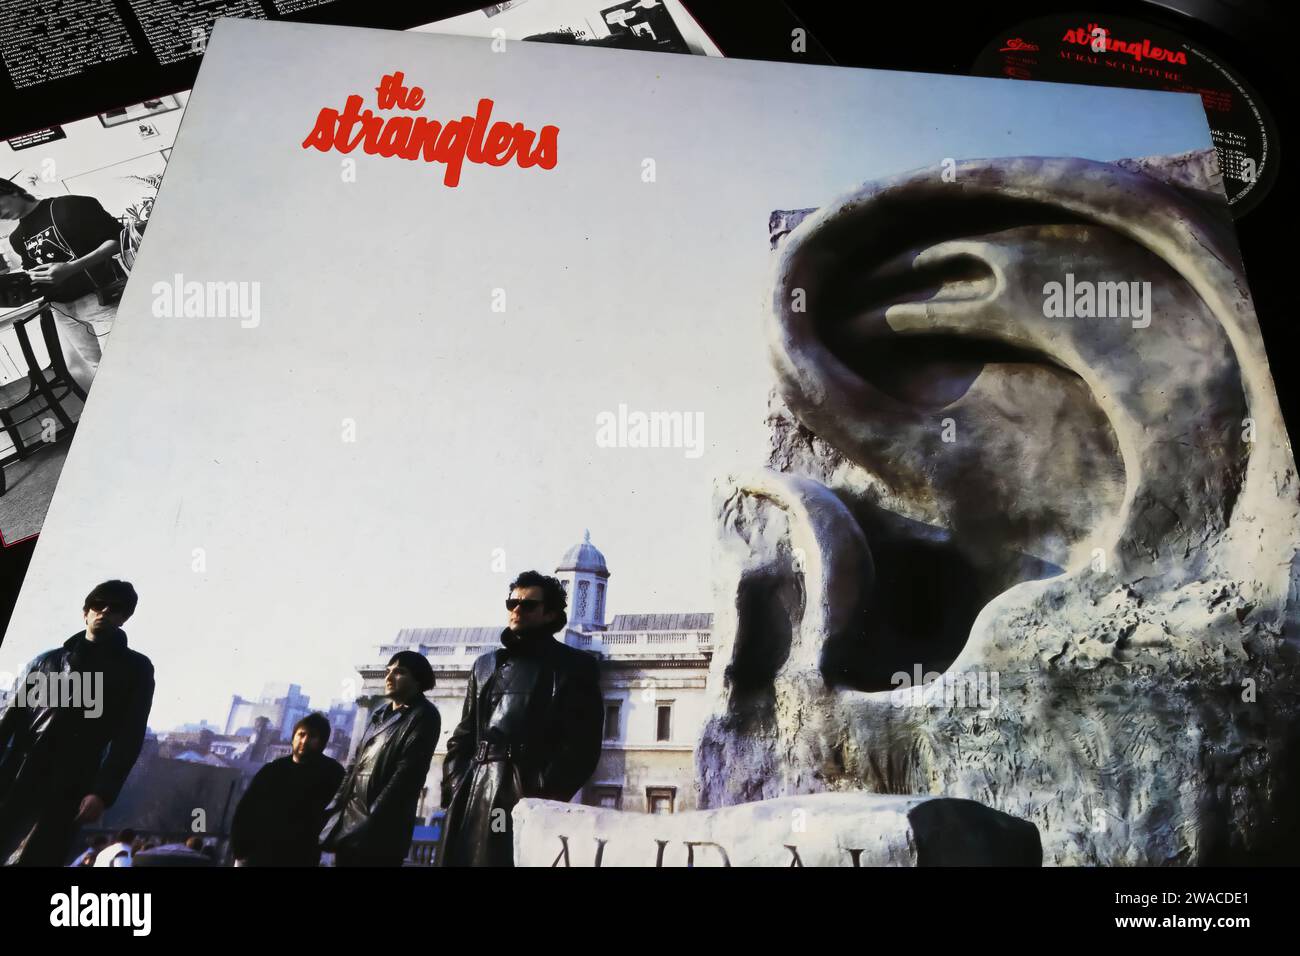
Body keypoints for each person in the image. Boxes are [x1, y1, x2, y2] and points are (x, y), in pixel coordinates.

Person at [439, 571, 603, 867]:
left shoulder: (575, 666)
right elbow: (463, 735)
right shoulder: (485, 664)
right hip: (472, 790)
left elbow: (582, 747)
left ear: (550, 614)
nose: (516, 609)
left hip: (521, 793)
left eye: (528, 605)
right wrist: (455, 785)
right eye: (512, 602)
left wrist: (539, 793)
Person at [0, 580, 154, 866]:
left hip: (73, 783)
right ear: (86, 611)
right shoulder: (46, 662)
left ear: (125, 618)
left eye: (116, 608)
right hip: (21, 775)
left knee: (38, 857)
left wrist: (101, 792)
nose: (105, 611)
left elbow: (129, 737)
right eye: (99, 604)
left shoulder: (135, 670)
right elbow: (9, 722)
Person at [0, 176, 124, 393]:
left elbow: (118, 241)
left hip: (102, 300)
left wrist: (73, 267)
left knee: (124, 363)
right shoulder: (17, 238)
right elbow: (38, 273)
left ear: (11, 191)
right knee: (98, 370)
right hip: (63, 310)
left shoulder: (69, 206)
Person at [320, 652, 440, 867]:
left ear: (418, 679)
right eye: (388, 671)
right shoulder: (378, 716)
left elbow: (406, 775)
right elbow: (353, 766)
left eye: (399, 672)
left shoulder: (424, 715)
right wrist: (336, 806)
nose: (389, 677)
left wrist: (371, 818)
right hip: (350, 821)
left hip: (380, 828)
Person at [230, 712, 344, 866]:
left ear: (322, 742)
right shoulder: (272, 770)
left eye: (312, 736)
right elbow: (246, 810)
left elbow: (338, 816)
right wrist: (240, 850)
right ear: (293, 736)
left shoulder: (332, 773)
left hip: (301, 856)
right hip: (261, 855)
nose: (304, 740)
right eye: (301, 734)